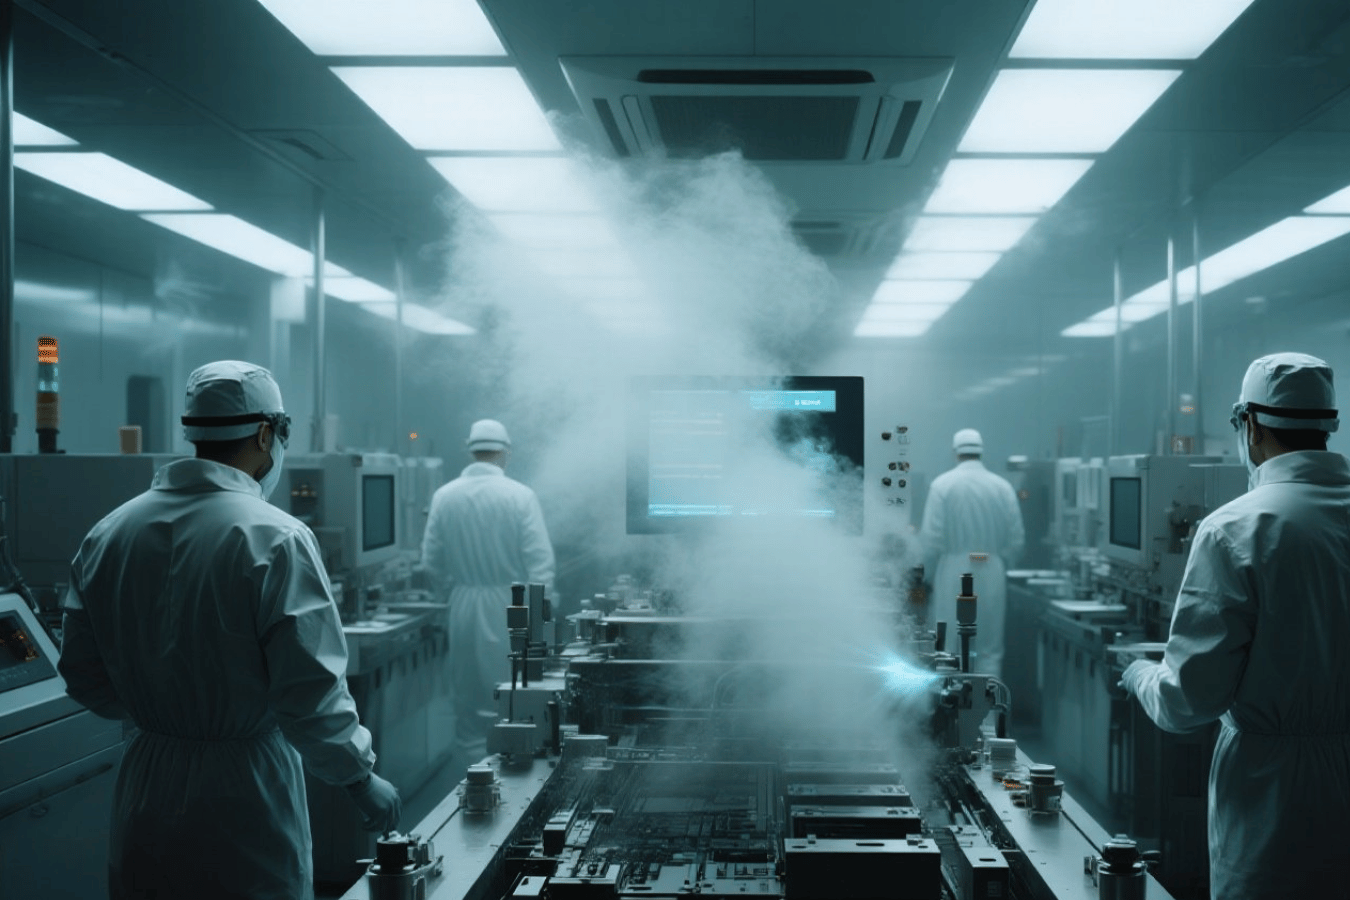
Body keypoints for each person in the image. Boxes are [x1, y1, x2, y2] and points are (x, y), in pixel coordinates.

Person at [57, 361, 400, 900]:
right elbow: (309, 693)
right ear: (266, 433)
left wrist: (165, 715)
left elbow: (80, 673)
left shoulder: (111, 531)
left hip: (148, 780)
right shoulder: (275, 537)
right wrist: (359, 780)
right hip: (246, 790)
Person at [1119, 352, 1350, 900]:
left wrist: (1139, 674)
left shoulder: (1237, 527)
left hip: (1274, 798)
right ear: (1329, 425)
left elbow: (1188, 701)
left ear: (1249, 424)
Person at [422, 418, 556, 762]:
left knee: (467, 704)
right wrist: (539, 620)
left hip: (463, 604)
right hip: (508, 607)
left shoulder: (444, 496)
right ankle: (510, 779)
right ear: (505, 454)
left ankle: (470, 785)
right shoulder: (520, 496)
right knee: (511, 698)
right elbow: (541, 566)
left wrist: (450, 591)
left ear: (471, 451)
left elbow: (431, 562)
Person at [919, 428, 1024, 678]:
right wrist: (998, 562)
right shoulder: (1003, 487)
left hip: (954, 568)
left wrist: (927, 578)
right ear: (981, 451)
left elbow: (931, 541)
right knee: (989, 648)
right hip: (991, 569)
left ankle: (950, 709)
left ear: (955, 452)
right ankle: (988, 711)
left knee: (949, 647)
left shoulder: (942, 485)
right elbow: (1016, 541)